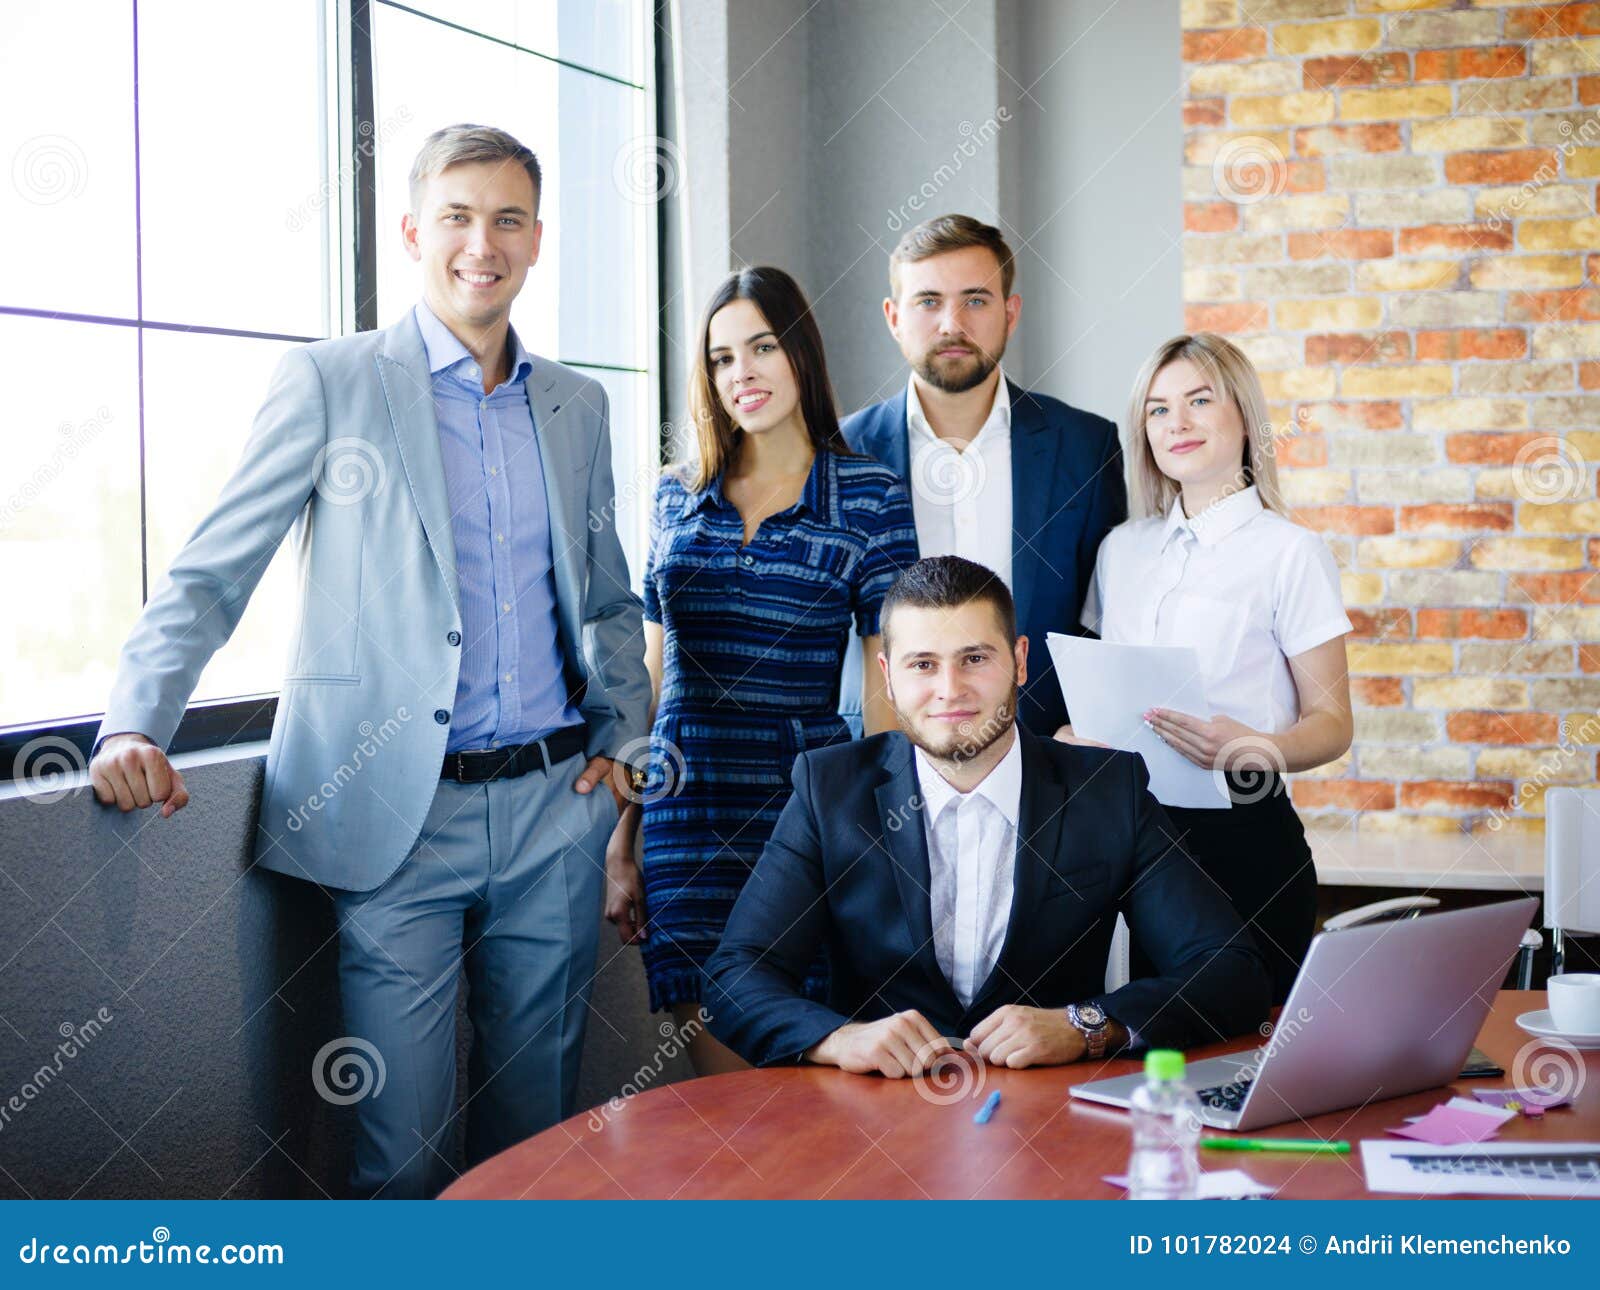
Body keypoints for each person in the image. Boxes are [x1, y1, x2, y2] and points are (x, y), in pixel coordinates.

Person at [87, 125, 650, 1197]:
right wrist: (133, 721)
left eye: (507, 219)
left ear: (537, 242)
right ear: (411, 232)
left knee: (541, 1149)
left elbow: (611, 594)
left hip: (550, 813)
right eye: (456, 215)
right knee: (402, 1151)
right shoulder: (330, 383)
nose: (480, 242)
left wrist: (624, 734)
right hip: (394, 821)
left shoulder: (579, 404)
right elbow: (213, 571)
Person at [703, 556, 1271, 1072]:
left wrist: (1084, 1025)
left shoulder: (1107, 790)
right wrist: (839, 1038)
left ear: (1019, 661)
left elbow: (1230, 971)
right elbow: (735, 978)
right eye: (923, 664)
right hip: (875, 1126)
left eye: (974, 658)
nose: (950, 690)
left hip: (1052, 1121)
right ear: (887, 676)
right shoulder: (830, 789)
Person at [602, 267, 919, 1075]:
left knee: (796, 1070)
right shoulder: (676, 496)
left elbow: (889, 698)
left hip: (802, 817)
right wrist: (623, 839)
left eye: (762, 347)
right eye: (720, 358)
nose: (741, 372)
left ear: (801, 355)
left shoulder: (871, 496)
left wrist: (878, 847)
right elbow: (653, 676)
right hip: (683, 809)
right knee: (713, 1088)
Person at [1068, 332, 1354, 1004]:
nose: (1179, 423)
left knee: (1253, 1066)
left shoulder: (1291, 553)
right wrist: (1077, 742)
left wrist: (1252, 747)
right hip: (1140, 847)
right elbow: (1106, 693)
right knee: (1158, 1052)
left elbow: (1334, 723)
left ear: (1245, 418)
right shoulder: (1122, 551)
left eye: (1199, 400)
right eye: (1159, 410)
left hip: (1247, 839)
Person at [839, 214, 1126, 737]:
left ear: (1010, 312)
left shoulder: (1086, 447)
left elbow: (1103, 619)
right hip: (883, 760)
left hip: (1045, 759)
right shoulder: (840, 452)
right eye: (928, 301)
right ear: (894, 317)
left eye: (975, 300)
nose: (952, 324)